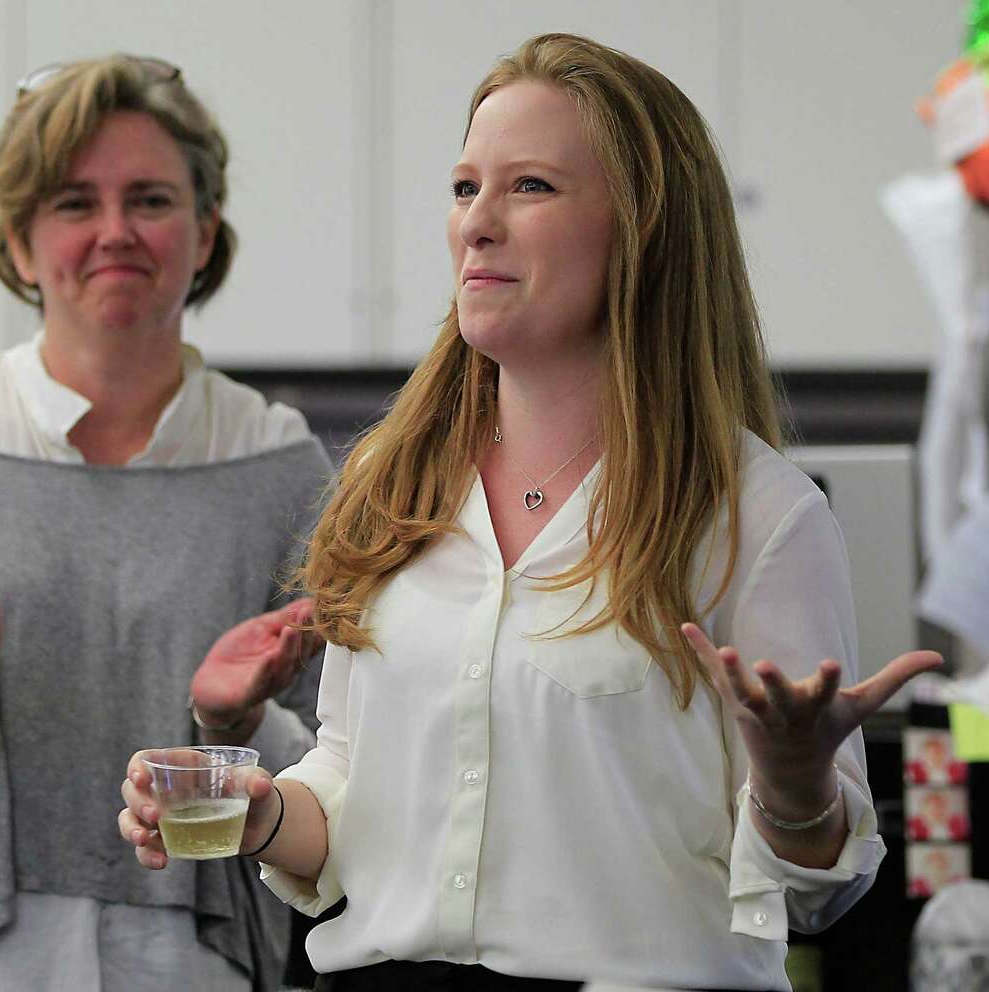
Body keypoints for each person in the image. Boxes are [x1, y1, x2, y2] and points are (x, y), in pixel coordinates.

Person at [120, 33, 942, 992]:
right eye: (466, 187)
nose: (477, 223)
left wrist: (800, 785)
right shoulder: (390, 484)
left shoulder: (758, 518)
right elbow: (349, 789)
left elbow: (813, 896)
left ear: (644, 231)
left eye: (531, 187)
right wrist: (261, 813)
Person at [0, 56, 331, 992]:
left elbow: (347, 768)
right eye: (75, 203)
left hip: (198, 967)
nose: (115, 232)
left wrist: (235, 721)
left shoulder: (279, 465)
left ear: (205, 232)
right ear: (19, 238)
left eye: (151, 199)